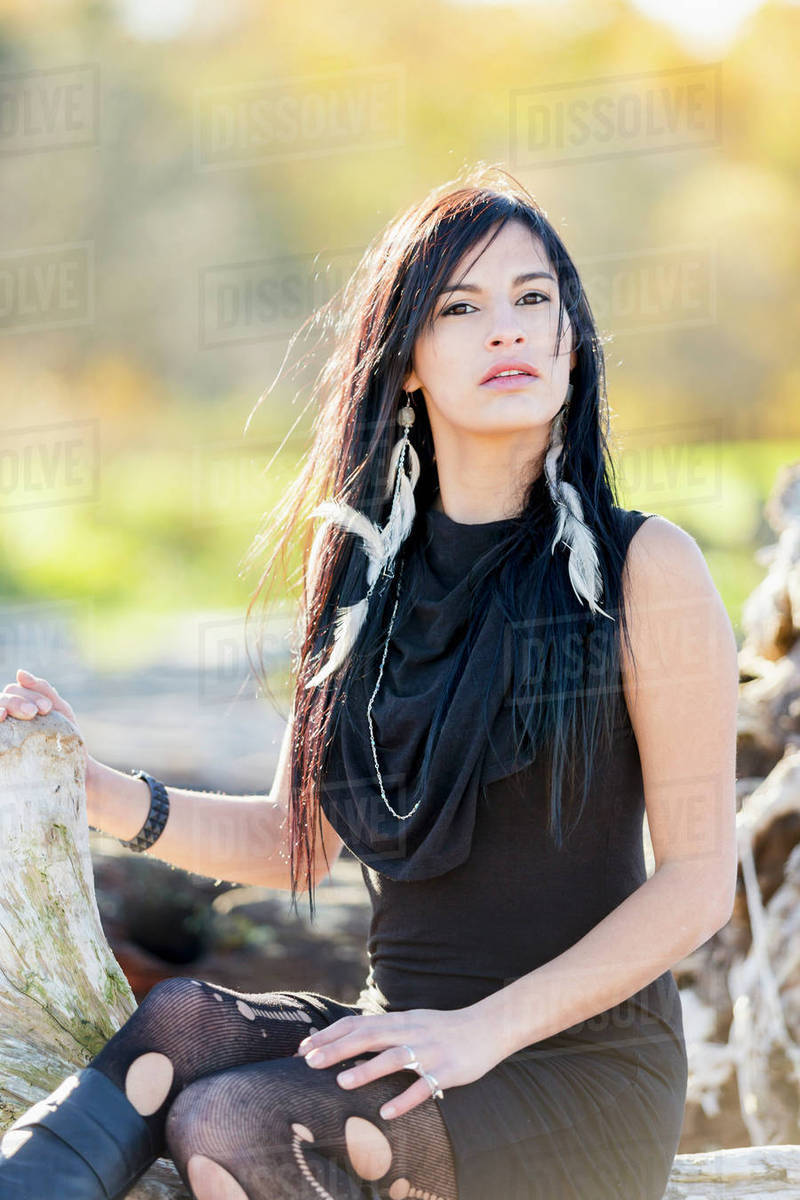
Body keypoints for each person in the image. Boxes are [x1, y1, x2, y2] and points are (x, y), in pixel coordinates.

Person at [0, 165, 739, 1200]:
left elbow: (698, 882)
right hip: (409, 1038)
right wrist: (90, 786)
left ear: (571, 341)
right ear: (403, 366)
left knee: (233, 1124)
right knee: (176, 1026)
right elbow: (295, 837)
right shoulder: (358, 580)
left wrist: (478, 1034)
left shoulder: (643, 567)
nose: (507, 330)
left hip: (574, 1067)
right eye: (460, 307)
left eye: (535, 300)